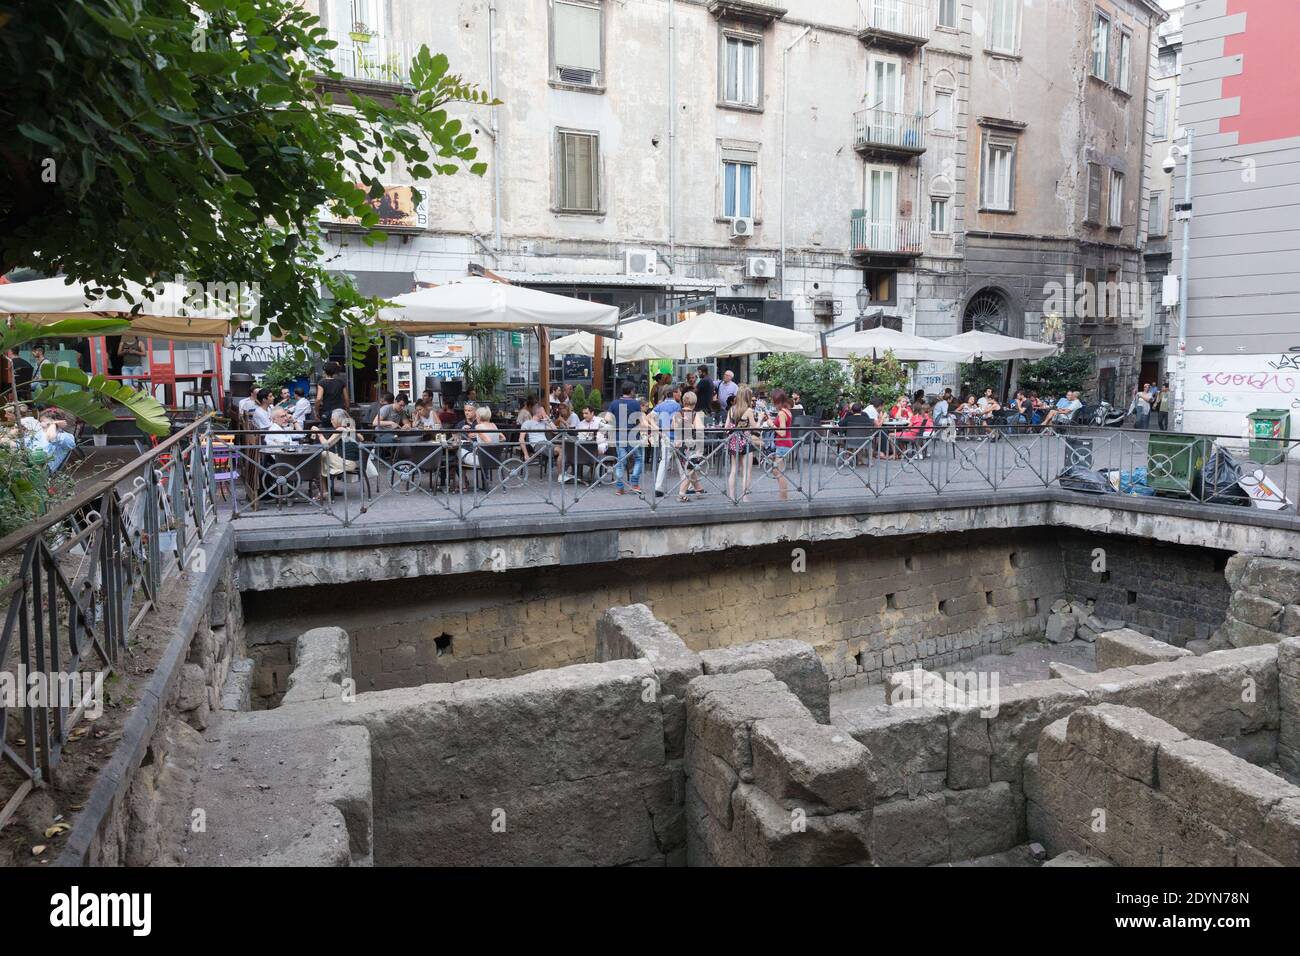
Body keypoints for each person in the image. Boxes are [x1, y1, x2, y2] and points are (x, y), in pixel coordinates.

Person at [725, 386, 760, 502]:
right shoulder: (749, 410)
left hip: (734, 441)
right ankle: (745, 496)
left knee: (734, 469)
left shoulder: (731, 409)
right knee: (746, 470)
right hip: (746, 442)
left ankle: (731, 496)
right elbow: (756, 428)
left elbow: (726, 427)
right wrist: (759, 419)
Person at [609, 384, 643, 495]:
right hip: (633, 436)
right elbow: (640, 420)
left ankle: (619, 488)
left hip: (620, 436)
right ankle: (634, 484)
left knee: (620, 462)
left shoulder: (614, 403)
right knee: (638, 459)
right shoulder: (636, 403)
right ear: (632, 391)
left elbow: (607, 418)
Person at [674, 391, 708, 501]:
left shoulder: (677, 414)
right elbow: (700, 429)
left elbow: (673, 427)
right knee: (690, 469)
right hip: (691, 445)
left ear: (683, 401)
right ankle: (681, 493)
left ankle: (698, 488)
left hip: (679, 445)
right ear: (695, 402)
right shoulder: (694, 415)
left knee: (689, 467)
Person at [650, 384, 683, 497]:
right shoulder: (677, 406)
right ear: (674, 393)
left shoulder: (660, 406)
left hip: (664, 437)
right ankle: (687, 485)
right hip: (675, 437)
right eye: (678, 391)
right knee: (682, 461)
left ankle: (658, 487)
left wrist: (657, 430)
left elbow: (649, 417)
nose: (680, 393)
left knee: (665, 461)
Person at [770, 388, 794, 501]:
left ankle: (783, 498)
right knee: (776, 470)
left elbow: (782, 432)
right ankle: (783, 496)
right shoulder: (787, 410)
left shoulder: (781, 413)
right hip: (785, 443)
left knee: (779, 472)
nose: (773, 404)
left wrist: (772, 425)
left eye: (774, 401)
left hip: (782, 443)